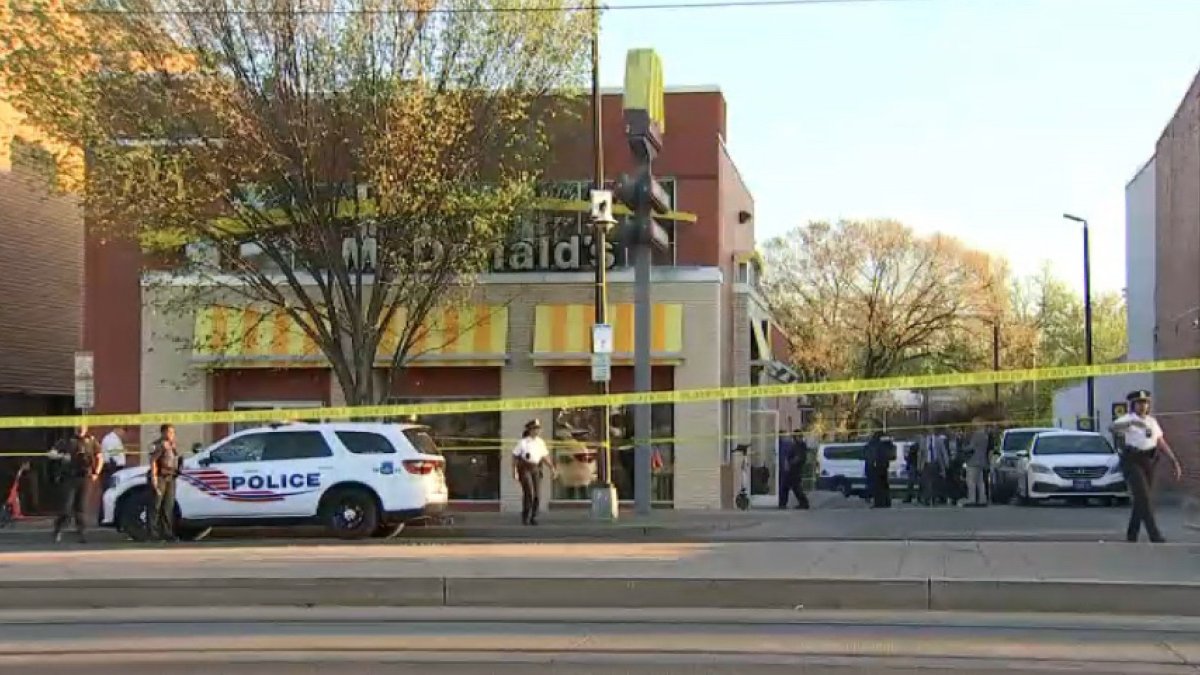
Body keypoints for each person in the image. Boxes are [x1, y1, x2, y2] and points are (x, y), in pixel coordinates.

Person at [1110, 390, 1182, 543]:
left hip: (1149, 460)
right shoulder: (1128, 419)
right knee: (1144, 497)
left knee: (1141, 499)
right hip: (1132, 460)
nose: (1143, 406)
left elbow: (1160, 441)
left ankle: (1132, 533)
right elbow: (1113, 428)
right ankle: (1154, 534)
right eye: (1139, 403)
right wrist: (1132, 424)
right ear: (1133, 405)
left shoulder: (1152, 421)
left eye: (1145, 403)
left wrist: (1173, 460)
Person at [50, 425, 102, 544]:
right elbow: (51, 454)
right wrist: (62, 456)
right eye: (78, 427)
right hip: (69, 477)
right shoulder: (67, 440)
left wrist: (96, 473)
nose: (81, 429)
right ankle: (58, 529)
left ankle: (82, 533)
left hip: (85, 477)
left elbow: (99, 456)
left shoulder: (91, 440)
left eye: (82, 427)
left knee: (82, 507)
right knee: (66, 508)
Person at [512, 419, 556, 526]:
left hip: (536, 468)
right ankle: (526, 516)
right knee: (529, 493)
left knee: (537, 494)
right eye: (535, 429)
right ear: (530, 430)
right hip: (525, 468)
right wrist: (514, 471)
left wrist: (552, 468)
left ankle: (534, 517)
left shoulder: (540, 442)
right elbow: (515, 457)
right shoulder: (523, 442)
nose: (537, 431)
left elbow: (545, 456)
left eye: (538, 429)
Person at [148, 423, 180, 542]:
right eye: (169, 432)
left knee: (168, 506)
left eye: (173, 432)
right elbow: (153, 461)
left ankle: (167, 532)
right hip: (160, 477)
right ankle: (153, 533)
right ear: (163, 433)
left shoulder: (172, 445)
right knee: (156, 505)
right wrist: (154, 478)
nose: (172, 435)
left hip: (170, 477)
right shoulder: (158, 445)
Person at [778, 430, 809, 510]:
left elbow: (798, 458)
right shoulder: (795, 445)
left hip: (795, 470)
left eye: (796, 437)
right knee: (787, 486)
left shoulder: (801, 446)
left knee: (796, 487)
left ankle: (804, 503)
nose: (794, 439)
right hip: (792, 469)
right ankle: (783, 503)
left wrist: (790, 463)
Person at [864, 431, 894, 508]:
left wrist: (871, 466)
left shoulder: (873, 444)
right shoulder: (885, 444)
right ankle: (887, 502)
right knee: (885, 486)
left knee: (877, 487)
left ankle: (879, 503)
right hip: (884, 467)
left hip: (876, 467)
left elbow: (871, 456)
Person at [965, 420, 990, 507]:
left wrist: (964, 449)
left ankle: (972, 499)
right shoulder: (985, 436)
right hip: (982, 460)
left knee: (971, 481)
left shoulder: (976, 435)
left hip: (973, 461)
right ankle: (982, 499)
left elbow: (971, 447)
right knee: (980, 481)